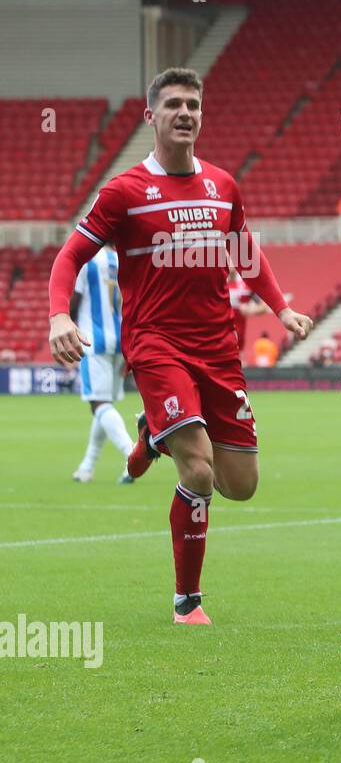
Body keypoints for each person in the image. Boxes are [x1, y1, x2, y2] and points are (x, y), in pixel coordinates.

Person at [47, 66, 314, 626]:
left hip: (218, 350)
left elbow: (246, 252)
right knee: (197, 471)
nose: (186, 112)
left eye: (193, 103)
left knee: (240, 485)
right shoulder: (123, 192)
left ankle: (151, 432)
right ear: (152, 116)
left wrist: (281, 307)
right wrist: (56, 316)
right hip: (155, 345)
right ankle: (187, 600)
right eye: (174, 104)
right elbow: (69, 255)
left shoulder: (223, 185)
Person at [68, 245, 136, 484]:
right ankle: (87, 467)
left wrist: (67, 328)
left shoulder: (86, 259)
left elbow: (73, 302)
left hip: (92, 341)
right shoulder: (121, 259)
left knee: (99, 405)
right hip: (119, 340)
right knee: (102, 405)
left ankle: (133, 455)